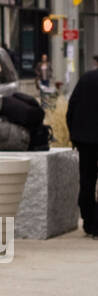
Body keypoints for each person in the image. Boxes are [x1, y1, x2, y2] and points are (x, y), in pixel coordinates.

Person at [65, 65, 98, 238]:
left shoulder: (85, 79)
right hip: (86, 137)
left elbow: (72, 108)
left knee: (87, 180)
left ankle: (89, 221)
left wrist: (74, 134)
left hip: (85, 140)